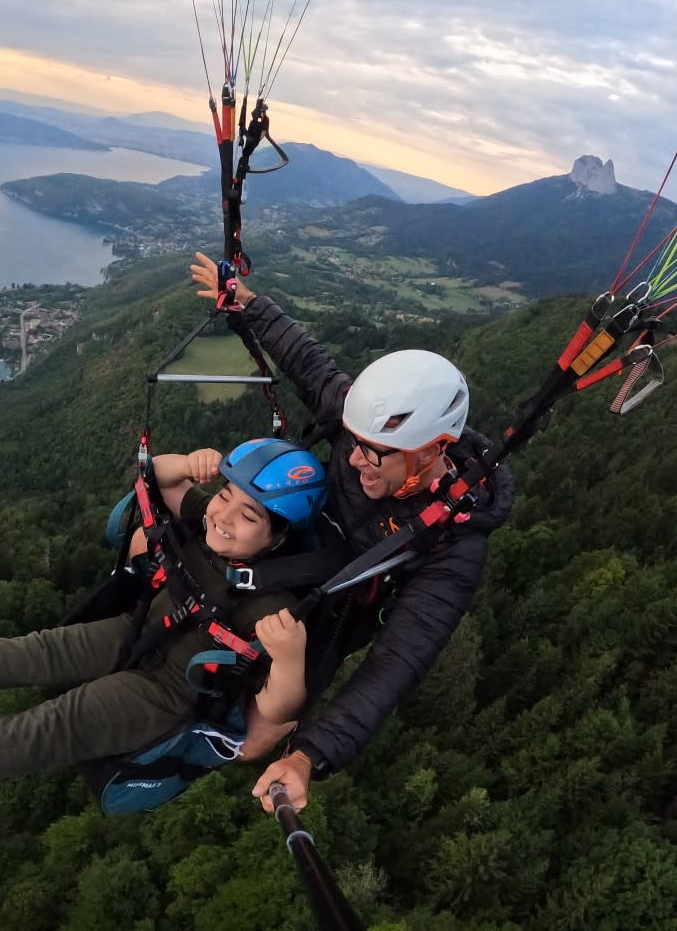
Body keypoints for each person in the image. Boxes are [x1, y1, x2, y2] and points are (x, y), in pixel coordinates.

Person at [190, 253, 515, 812]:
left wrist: (309, 754)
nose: (360, 461)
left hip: (336, 603)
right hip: (294, 534)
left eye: (380, 455)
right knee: (167, 519)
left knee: (254, 740)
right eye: (356, 443)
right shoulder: (360, 427)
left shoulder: (456, 543)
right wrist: (249, 304)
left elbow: (398, 661)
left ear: (435, 450)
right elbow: (309, 362)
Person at [0, 438, 327, 807]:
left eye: (248, 516)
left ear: (276, 538)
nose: (223, 516)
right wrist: (187, 465)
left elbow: (280, 708)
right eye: (224, 495)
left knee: (59, 724)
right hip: (138, 631)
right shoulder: (212, 520)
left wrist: (289, 656)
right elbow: (157, 480)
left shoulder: (271, 603)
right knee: (37, 650)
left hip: (169, 692)